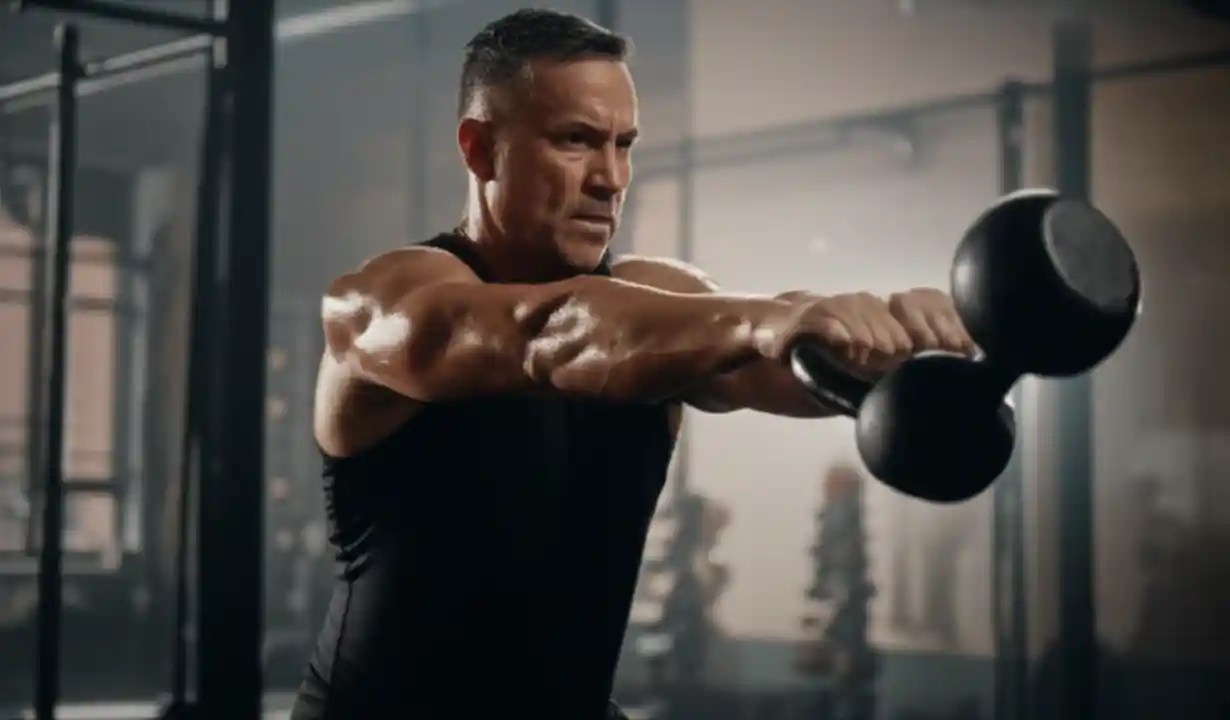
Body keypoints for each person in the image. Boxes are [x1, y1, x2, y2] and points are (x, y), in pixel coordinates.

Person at [292, 8, 974, 719]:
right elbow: (549, 335)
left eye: (624, 144)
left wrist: (908, 354)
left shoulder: (663, 301)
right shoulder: (383, 301)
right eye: (576, 141)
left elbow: (784, 367)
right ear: (480, 149)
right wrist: (767, 318)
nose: (611, 177)